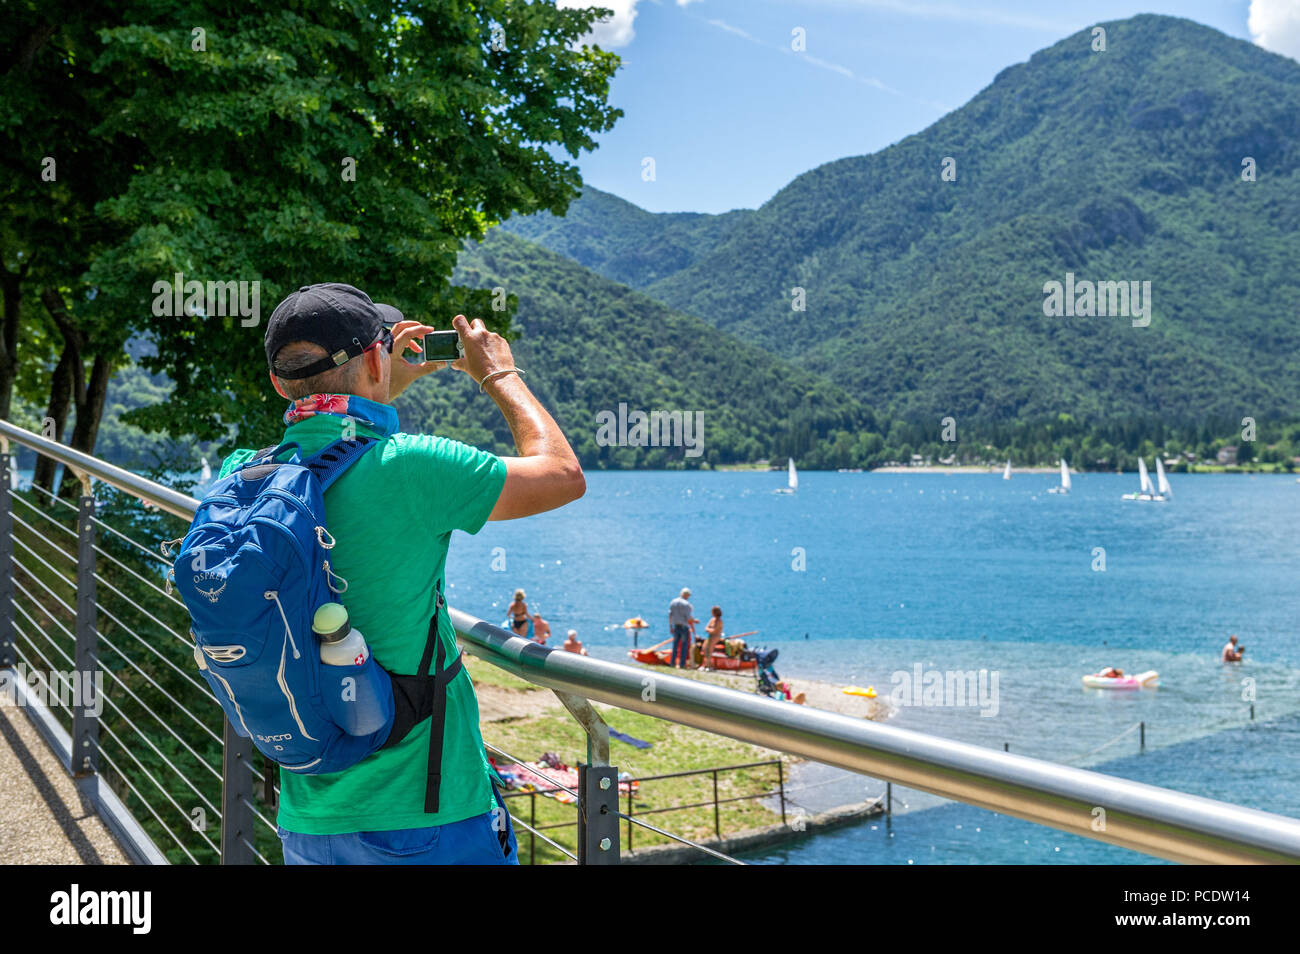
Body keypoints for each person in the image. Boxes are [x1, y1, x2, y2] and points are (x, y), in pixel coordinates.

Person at [236, 283, 584, 865]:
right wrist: (498, 374)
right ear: (376, 357)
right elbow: (562, 474)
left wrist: (374, 380)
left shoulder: (245, 476)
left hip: (308, 820)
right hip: (426, 816)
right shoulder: (413, 467)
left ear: (278, 383)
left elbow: (335, 443)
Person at [668, 588, 695, 669]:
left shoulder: (673, 602)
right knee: (684, 646)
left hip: (676, 626)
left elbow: (670, 615)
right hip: (684, 627)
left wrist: (670, 626)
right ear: (686, 595)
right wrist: (694, 621)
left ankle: (672, 663)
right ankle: (682, 664)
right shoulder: (686, 604)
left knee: (675, 646)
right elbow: (688, 618)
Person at [699, 606, 723, 671]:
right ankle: (705, 665)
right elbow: (707, 627)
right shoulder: (712, 619)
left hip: (715, 637)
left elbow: (714, 630)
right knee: (704, 649)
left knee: (709, 651)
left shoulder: (719, 621)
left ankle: (709, 666)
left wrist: (709, 629)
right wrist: (709, 629)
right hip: (710, 636)